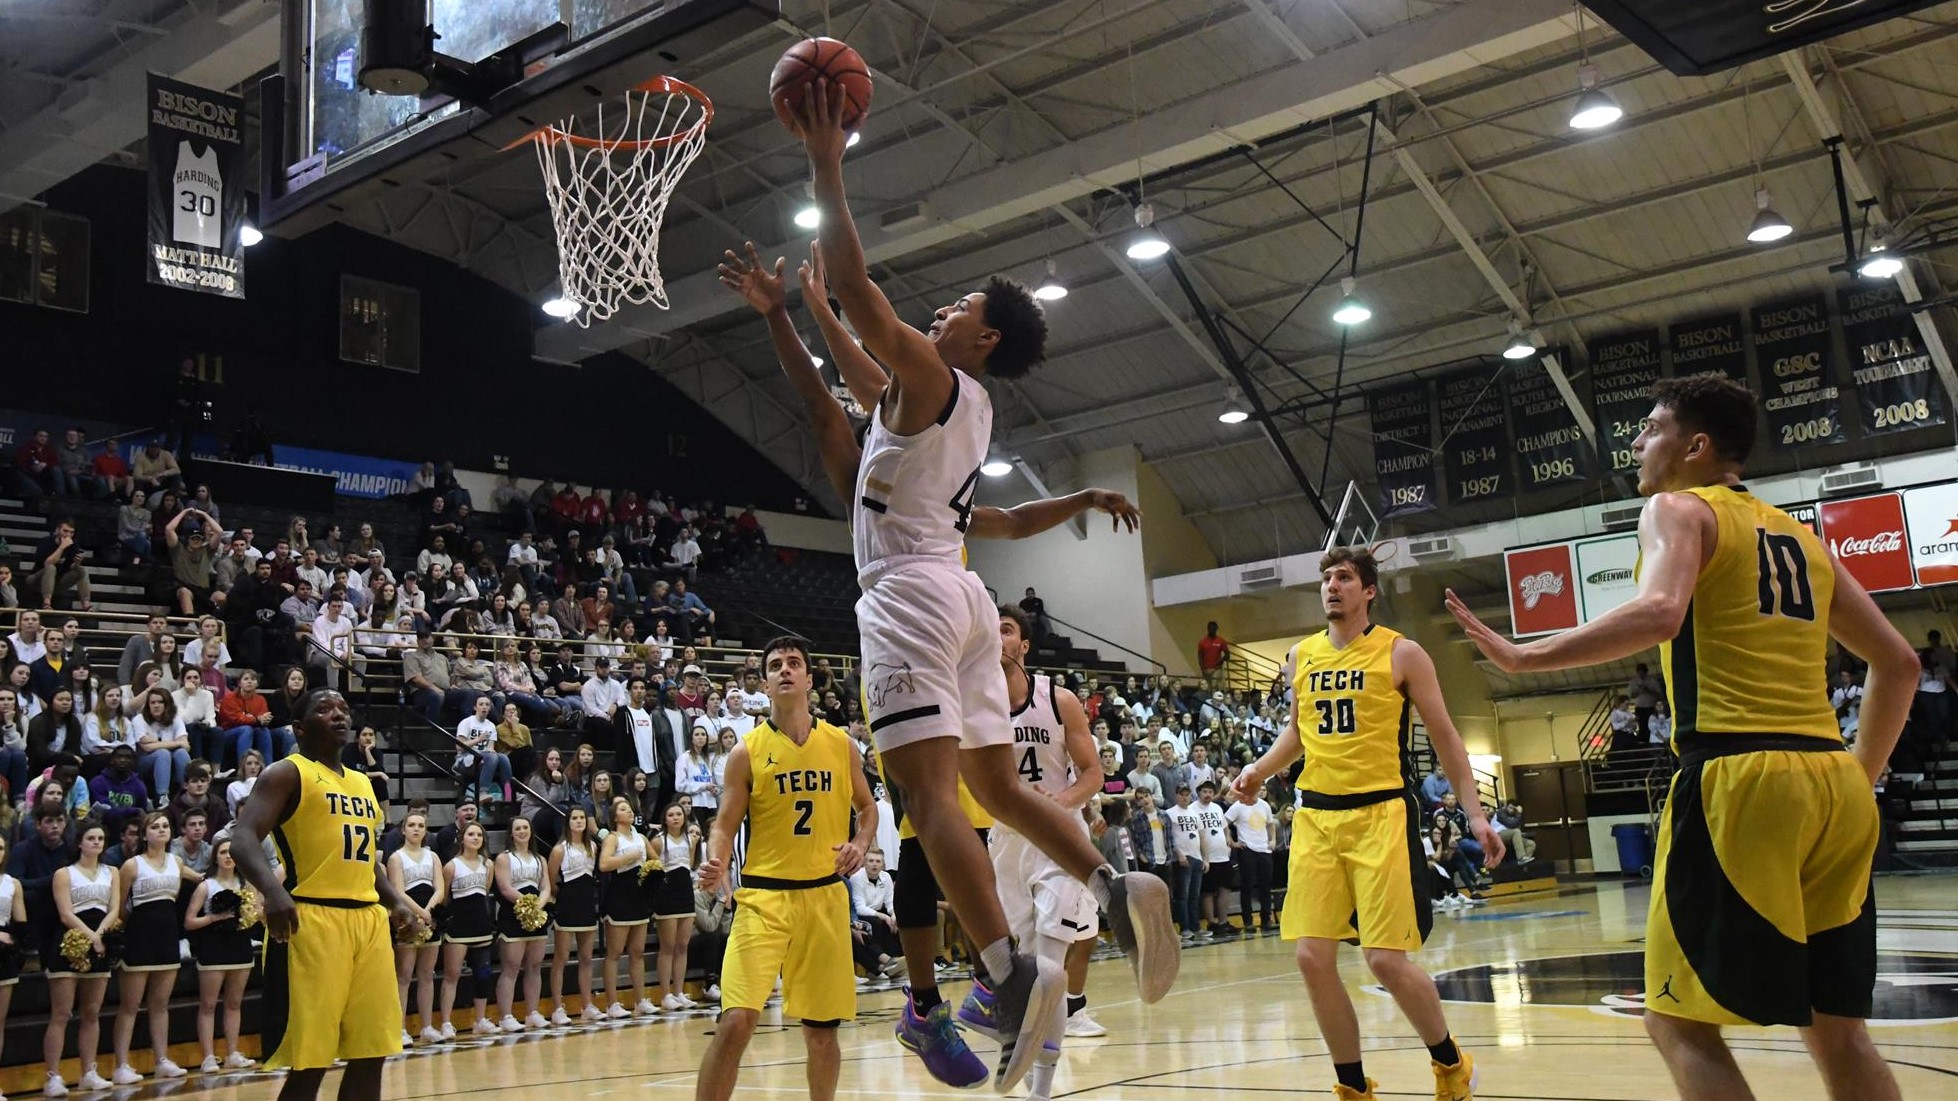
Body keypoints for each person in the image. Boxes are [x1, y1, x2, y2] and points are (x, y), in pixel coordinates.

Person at [721, 154, 1173, 1090]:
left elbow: (857, 294)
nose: (943, 312)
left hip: (910, 601)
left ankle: (1010, 981)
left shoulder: (932, 376)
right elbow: (836, 375)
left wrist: (821, 159)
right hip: (963, 600)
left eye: (962, 305)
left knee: (929, 809)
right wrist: (784, 313)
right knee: (998, 793)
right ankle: (1112, 886)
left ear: (987, 334)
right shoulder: (935, 402)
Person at [1446, 374, 1918, 1101]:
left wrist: (1525, 655)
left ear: (1696, 446)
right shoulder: (1801, 536)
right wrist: (1861, 776)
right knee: (1839, 1030)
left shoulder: (1679, 509)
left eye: (1651, 428)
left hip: (1740, 776)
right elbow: (1899, 662)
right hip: (1834, 784)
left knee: (1677, 1023)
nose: (1636, 443)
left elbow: (1662, 610)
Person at [1234, 546, 1498, 1101]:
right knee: (1311, 957)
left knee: (1384, 960)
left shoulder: (1402, 654)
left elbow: (1447, 736)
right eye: (1327, 578)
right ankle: (1353, 1087)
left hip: (1382, 814)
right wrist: (1258, 770)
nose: (1333, 586)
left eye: (1345, 577)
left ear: (1369, 590)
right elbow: (1300, 733)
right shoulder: (1300, 656)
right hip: (1317, 818)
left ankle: (1451, 1065)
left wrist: (1474, 812)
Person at [694, 635, 877, 1101]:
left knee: (821, 1033)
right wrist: (715, 860)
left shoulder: (840, 744)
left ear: (810, 680)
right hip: (763, 898)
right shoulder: (747, 751)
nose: (785, 670)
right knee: (735, 1021)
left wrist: (860, 842)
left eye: (794, 663)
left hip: (824, 896)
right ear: (766, 682)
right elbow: (724, 824)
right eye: (776, 665)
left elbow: (868, 807)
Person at [229, 689, 424, 1101]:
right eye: (324, 709)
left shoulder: (362, 782)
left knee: (372, 1052)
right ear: (300, 727)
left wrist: (395, 902)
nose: (338, 715)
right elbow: (243, 838)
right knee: (311, 1061)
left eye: (343, 709)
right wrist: (272, 891)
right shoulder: (286, 772)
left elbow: (366, 859)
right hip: (312, 921)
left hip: (368, 923)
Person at [976, 604, 1108, 1088]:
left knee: (1051, 967)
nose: (996, 637)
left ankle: (1042, 1090)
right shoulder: (978, 704)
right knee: (1027, 973)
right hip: (1006, 841)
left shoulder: (1059, 699)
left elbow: (1093, 772)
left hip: (1057, 838)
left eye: (1005, 630)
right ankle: (1038, 1082)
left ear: (1023, 645)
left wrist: (1063, 802)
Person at [112, 811, 197, 1085]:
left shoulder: (177, 862)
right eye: (155, 827)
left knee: (161, 1004)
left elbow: (205, 879)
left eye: (165, 826)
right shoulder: (132, 866)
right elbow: (120, 908)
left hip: (167, 937)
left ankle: (162, 1060)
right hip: (140, 938)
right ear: (144, 834)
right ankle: (121, 1065)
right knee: (130, 1005)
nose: (161, 830)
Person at [42, 819, 119, 1098]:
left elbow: (113, 909)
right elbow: (65, 913)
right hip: (68, 943)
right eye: (91, 838)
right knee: (61, 1013)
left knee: (92, 1012)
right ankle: (53, 1076)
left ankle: (89, 1072)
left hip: (99, 942)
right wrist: (91, 936)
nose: (96, 843)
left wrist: (101, 935)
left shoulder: (112, 872)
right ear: (79, 842)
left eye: (100, 838)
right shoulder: (64, 873)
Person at [184, 836, 257, 1071]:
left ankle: (233, 1052)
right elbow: (189, 922)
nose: (227, 856)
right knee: (208, 1004)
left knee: (234, 1003)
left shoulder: (247, 884)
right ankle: (207, 1056)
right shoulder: (206, 885)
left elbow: (257, 913)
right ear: (215, 856)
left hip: (240, 945)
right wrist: (215, 917)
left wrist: (251, 914)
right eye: (223, 852)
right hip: (213, 947)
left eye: (231, 852)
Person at [388, 809, 445, 1045]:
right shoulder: (396, 858)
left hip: (429, 918)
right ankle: (399, 1029)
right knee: (403, 975)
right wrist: (420, 913)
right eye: (411, 825)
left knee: (426, 975)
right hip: (408, 919)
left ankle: (427, 1026)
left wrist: (429, 911)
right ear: (403, 829)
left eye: (420, 825)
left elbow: (440, 888)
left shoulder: (433, 857)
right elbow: (398, 891)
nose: (416, 829)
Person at [492, 817, 553, 1032]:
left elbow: (545, 887)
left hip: (536, 913)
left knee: (535, 966)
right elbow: (505, 888)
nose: (522, 831)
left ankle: (532, 1012)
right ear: (511, 833)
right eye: (517, 828)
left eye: (525, 828)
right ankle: (506, 1016)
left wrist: (538, 904)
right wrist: (525, 903)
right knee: (511, 967)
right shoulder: (504, 858)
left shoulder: (540, 859)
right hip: (513, 913)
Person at [597, 795, 655, 1017]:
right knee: (614, 953)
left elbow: (655, 860)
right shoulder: (612, 838)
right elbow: (604, 864)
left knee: (638, 952)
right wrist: (627, 858)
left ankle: (640, 1000)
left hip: (639, 895)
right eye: (623, 809)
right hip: (619, 894)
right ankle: (612, 1004)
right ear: (615, 816)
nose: (629, 811)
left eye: (630, 809)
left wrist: (652, 872)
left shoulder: (640, 837)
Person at [437, 821, 496, 1037]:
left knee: (483, 974)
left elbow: (486, 891)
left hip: (481, 924)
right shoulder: (452, 865)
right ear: (462, 838)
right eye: (471, 834)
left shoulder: (488, 864)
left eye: (479, 835)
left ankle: (480, 1020)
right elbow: (444, 897)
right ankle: (445, 1022)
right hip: (459, 925)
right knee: (452, 974)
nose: (475, 838)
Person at [548, 806, 602, 1025]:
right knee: (561, 958)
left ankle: (587, 1005)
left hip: (587, 904)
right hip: (567, 904)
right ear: (567, 822)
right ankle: (557, 1008)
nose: (579, 821)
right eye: (574, 818)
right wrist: (561, 897)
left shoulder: (593, 847)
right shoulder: (560, 849)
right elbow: (551, 880)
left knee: (586, 958)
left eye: (582, 817)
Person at [652, 802, 700, 1011]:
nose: (675, 818)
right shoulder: (659, 841)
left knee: (682, 946)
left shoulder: (690, 839)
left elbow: (689, 865)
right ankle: (665, 994)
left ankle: (679, 991)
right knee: (668, 947)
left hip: (685, 892)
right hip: (667, 894)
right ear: (665, 818)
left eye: (679, 814)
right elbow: (652, 870)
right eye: (671, 814)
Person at [1197, 622, 1230, 689]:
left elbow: (1227, 654)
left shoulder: (1221, 641)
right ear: (1208, 629)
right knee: (1206, 688)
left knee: (1214, 687)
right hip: (1206, 669)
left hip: (1216, 668)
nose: (1212, 630)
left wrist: (1221, 660)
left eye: (1214, 628)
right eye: (1210, 628)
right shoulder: (1202, 642)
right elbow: (1200, 656)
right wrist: (1202, 668)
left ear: (1216, 629)